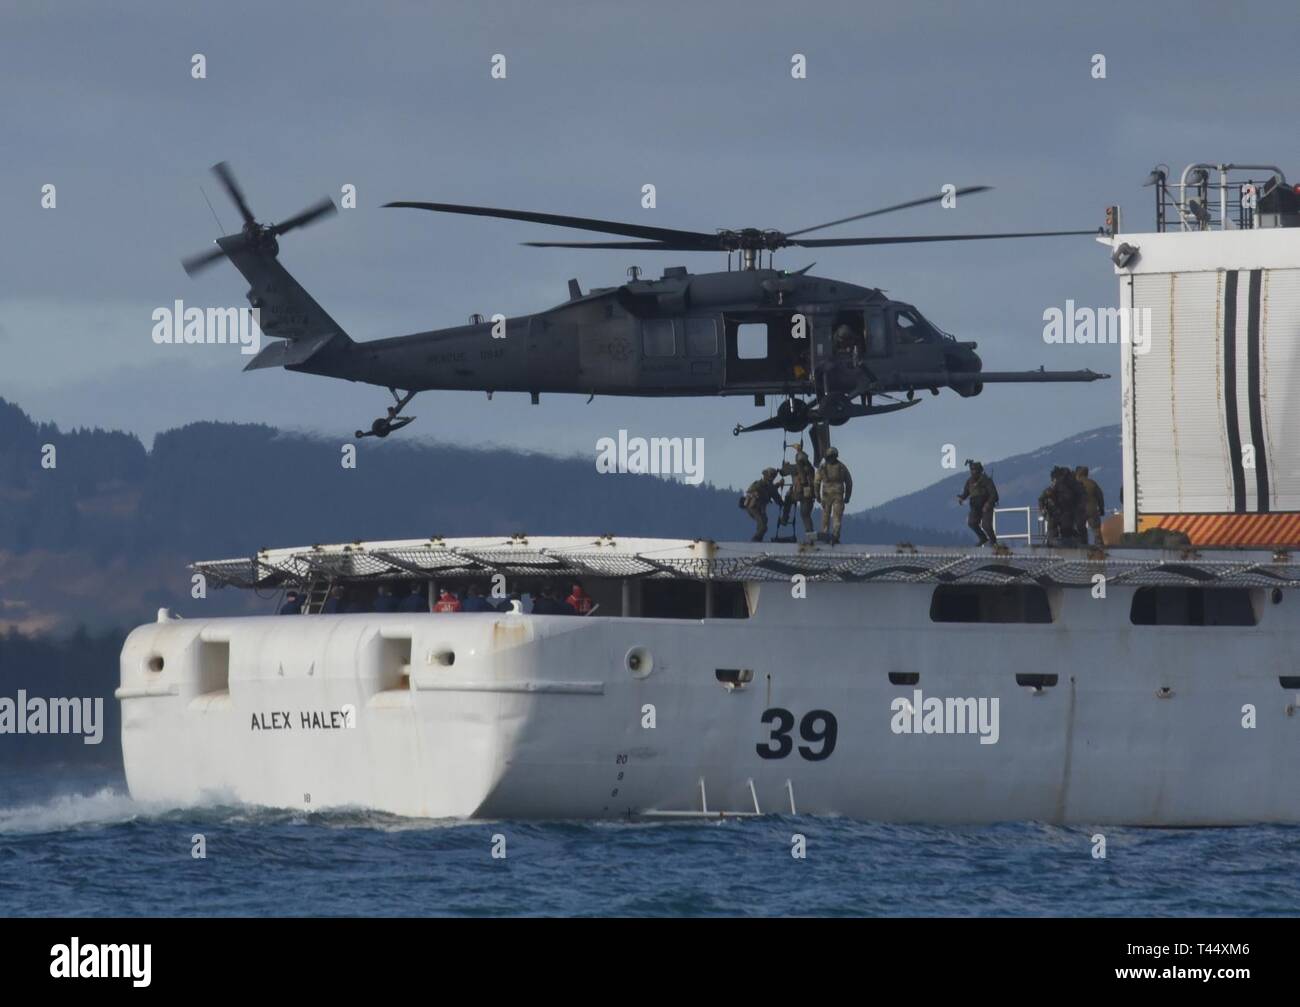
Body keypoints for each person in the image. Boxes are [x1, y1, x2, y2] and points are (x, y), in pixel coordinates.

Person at [815, 447, 853, 545]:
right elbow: (849, 482)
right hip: (838, 495)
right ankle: (835, 536)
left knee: (826, 516)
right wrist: (847, 496)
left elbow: (816, 482)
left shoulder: (822, 467)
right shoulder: (841, 467)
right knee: (836, 517)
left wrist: (817, 495)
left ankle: (825, 534)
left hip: (826, 495)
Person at [956, 460, 998, 546]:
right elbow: (966, 492)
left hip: (986, 506)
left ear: (980, 470)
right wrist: (962, 498)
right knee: (972, 522)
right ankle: (983, 538)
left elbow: (994, 495)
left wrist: (988, 504)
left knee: (986, 526)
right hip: (975, 507)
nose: (973, 472)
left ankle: (994, 542)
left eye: (975, 470)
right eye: (972, 470)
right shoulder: (969, 481)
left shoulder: (986, 480)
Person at [780, 444, 817, 541]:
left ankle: (784, 519)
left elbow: (782, 472)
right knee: (805, 515)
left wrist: (784, 466)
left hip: (798, 493)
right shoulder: (811, 469)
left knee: (788, 498)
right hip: (808, 494)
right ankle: (811, 536)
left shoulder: (794, 467)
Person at [743, 467, 784, 542]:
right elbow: (750, 491)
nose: (772, 478)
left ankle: (758, 540)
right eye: (771, 476)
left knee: (763, 522)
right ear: (766, 476)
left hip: (760, 509)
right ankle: (755, 540)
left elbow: (777, 498)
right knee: (763, 526)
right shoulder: (758, 484)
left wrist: (782, 502)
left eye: (773, 476)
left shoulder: (770, 487)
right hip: (753, 508)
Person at [1074, 465, 1105, 545]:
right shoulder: (1092, 483)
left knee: (1080, 529)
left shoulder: (1075, 484)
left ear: (1078, 474)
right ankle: (1099, 547)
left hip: (1079, 510)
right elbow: (1100, 496)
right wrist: (1101, 508)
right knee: (1096, 530)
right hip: (1092, 509)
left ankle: (1083, 546)